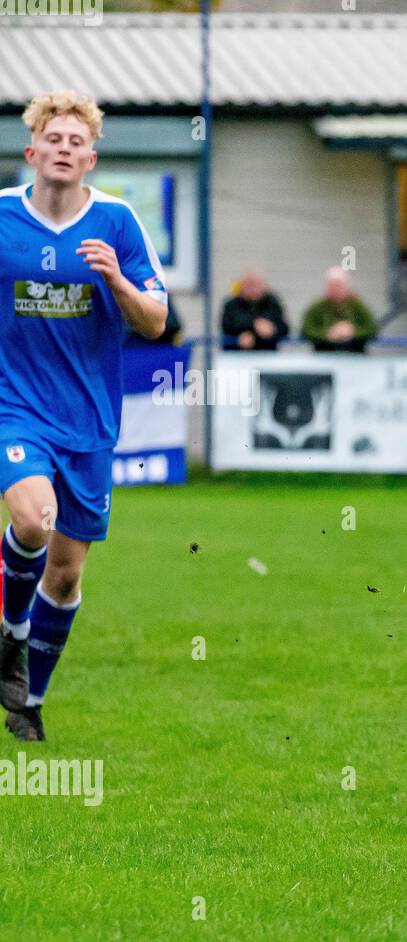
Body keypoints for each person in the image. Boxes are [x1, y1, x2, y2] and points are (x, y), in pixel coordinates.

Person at [0, 90, 169, 742]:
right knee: (32, 520)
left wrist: (117, 283)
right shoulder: (5, 218)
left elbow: (156, 321)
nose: (64, 149)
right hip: (16, 408)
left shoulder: (118, 224)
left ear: (91, 158)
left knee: (66, 575)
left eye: (77, 141)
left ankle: (27, 703)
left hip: (91, 423)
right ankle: (10, 633)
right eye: (55, 139)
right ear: (32, 152)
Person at [301, 267, 377, 353]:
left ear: (346, 286)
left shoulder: (358, 306)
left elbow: (371, 328)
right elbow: (306, 330)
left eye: (339, 285)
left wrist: (352, 332)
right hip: (324, 355)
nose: (336, 289)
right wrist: (327, 334)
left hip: (355, 355)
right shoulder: (317, 308)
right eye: (332, 285)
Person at [221, 269, 289, 351]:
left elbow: (284, 328)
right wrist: (254, 325)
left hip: (267, 355)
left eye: (256, 284)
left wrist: (273, 330)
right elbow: (228, 326)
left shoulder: (273, 303)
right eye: (249, 285)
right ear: (242, 286)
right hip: (236, 355)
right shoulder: (231, 305)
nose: (253, 289)